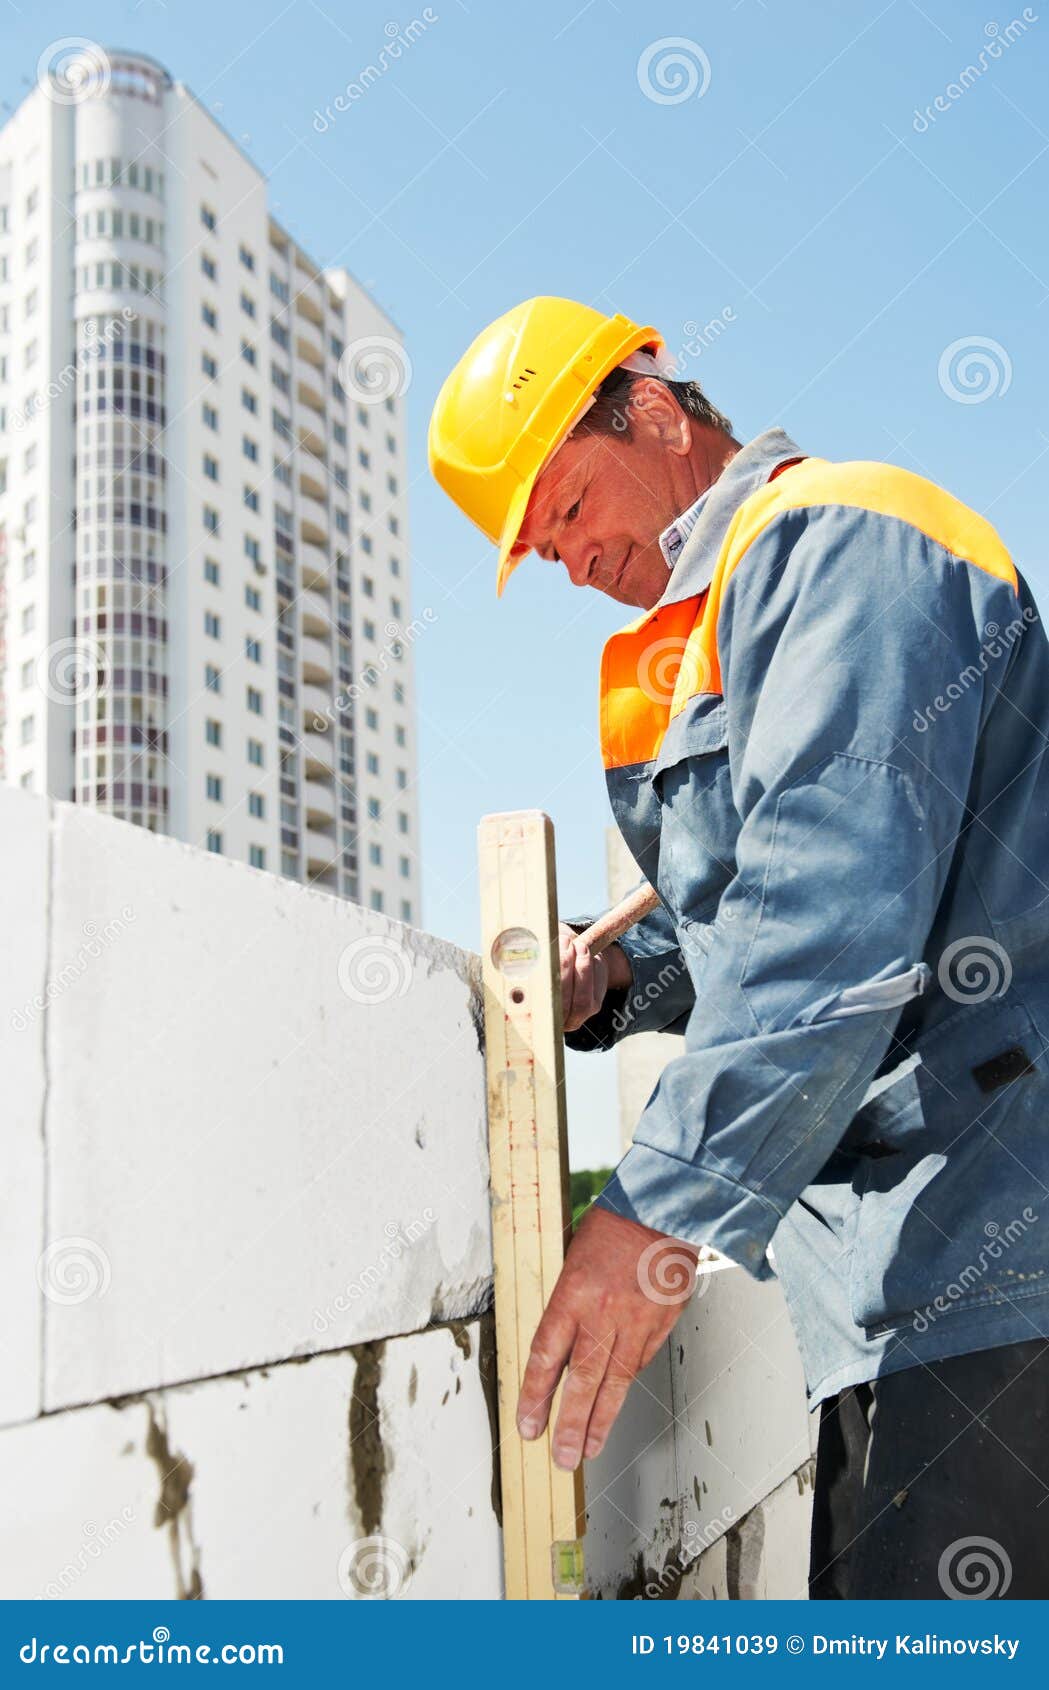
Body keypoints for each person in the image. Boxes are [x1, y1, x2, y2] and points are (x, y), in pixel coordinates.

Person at [429, 297, 1049, 1598]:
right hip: (878, 1295)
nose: (565, 556)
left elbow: (830, 929)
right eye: (537, 546)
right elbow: (744, 930)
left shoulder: (847, 542)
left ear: (652, 412)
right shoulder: (719, 627)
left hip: (989, 1249)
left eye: (564, 505)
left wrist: (651, 1210)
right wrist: (605, 985)